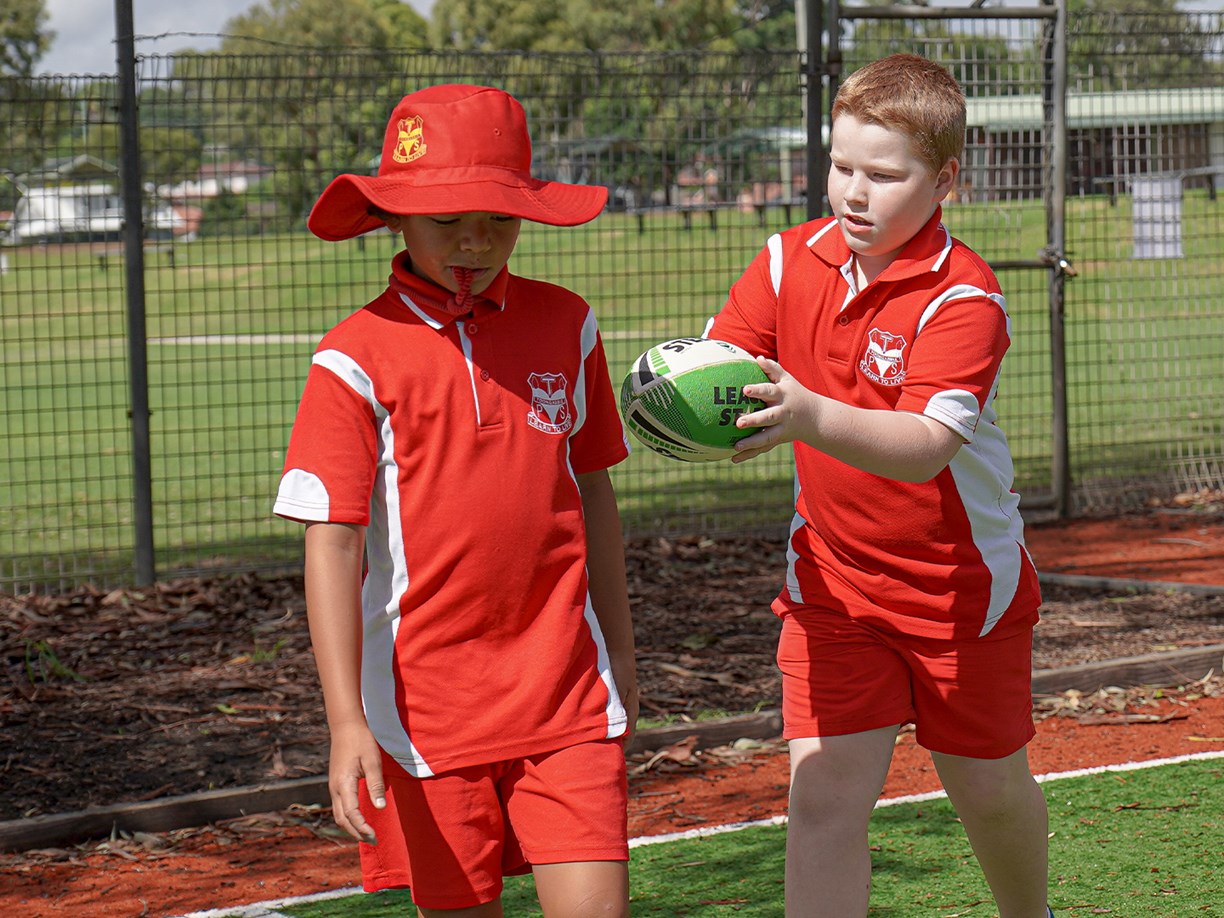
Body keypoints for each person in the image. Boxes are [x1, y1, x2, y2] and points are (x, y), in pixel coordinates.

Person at [274, 84, 638, 917]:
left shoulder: (569, 324)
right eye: (447, 222)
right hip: (425, 718)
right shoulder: (351, 358)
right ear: (394, 219)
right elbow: (330, 545)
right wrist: (345, 723)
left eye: (500, 220)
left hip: (569, 694)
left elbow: (595, 496)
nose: (476, 242)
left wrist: (619, 650)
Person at [705, 54, 1055, 917]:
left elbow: (925, 445)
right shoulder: (787, 262)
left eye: (884, 176)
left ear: (946, 181)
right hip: (831, 586)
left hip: (956, 596)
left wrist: (804, 413)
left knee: (988, 793)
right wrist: (687, 399)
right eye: (841, 166)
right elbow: (725, 367)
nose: (854, 193)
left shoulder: (966, 298)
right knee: (822, 800)